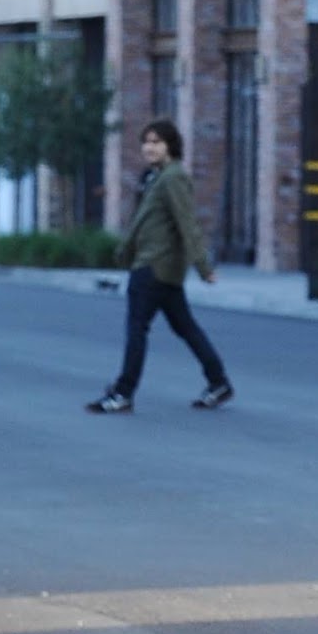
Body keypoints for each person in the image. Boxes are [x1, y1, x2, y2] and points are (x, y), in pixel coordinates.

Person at [86, 118, 233, 414]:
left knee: (137, 329)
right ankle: (218, 382)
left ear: (171, 145)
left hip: (154, 268)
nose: (149, 147)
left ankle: (123, 393)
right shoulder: (157, 176)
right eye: (146, 142)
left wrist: (203, 267)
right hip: (160, 268)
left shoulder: (173, 178)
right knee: (185, 327)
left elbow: (187, 223)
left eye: (157, 142)